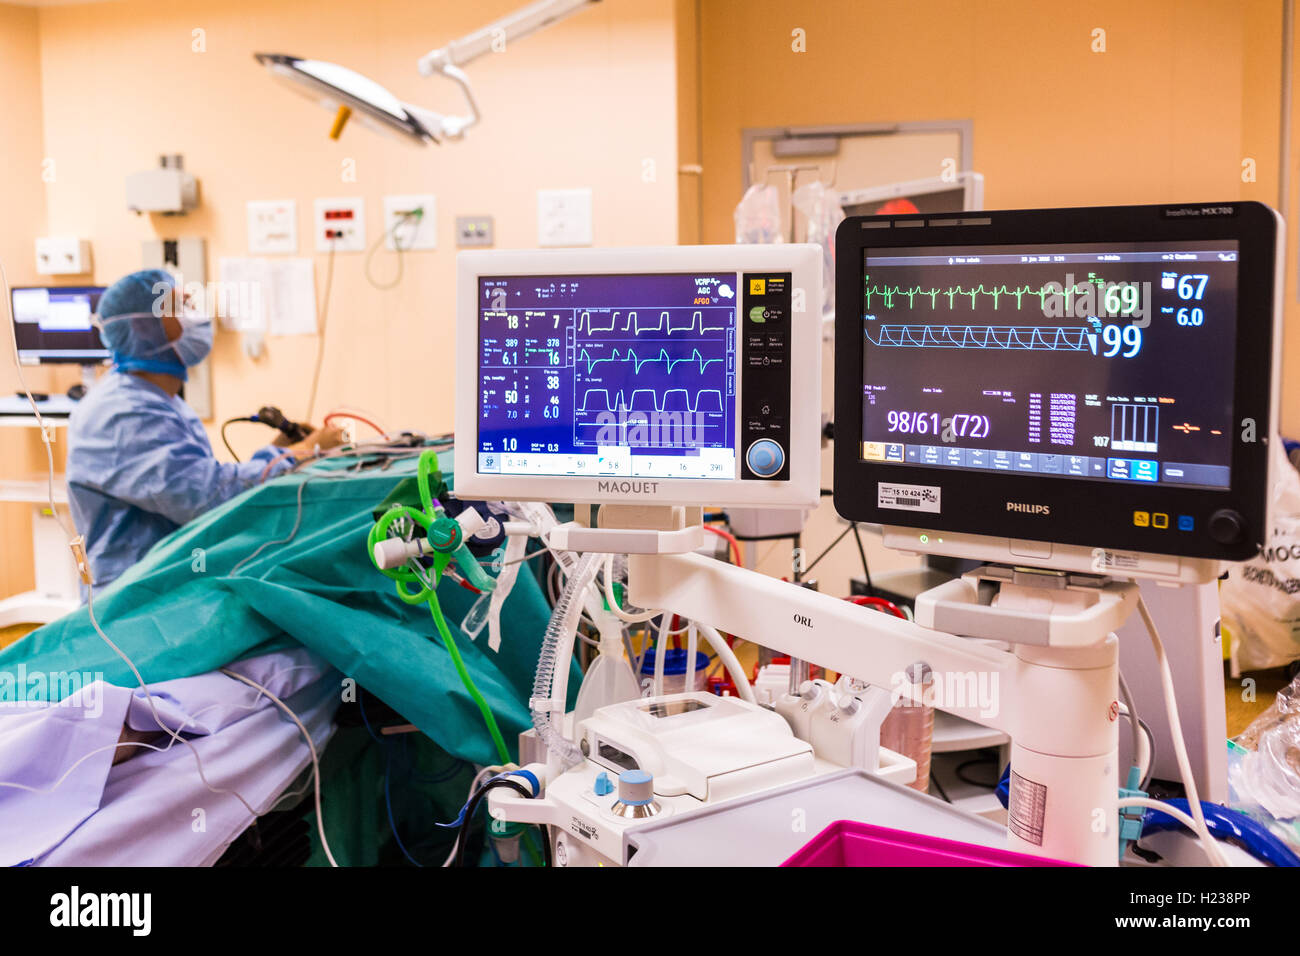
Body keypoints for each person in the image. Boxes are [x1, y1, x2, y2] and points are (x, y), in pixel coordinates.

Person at [67, 269, 343, 592]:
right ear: (142, 326)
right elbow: (209, 498)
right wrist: (303, 451)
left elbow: (195, 481)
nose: (195, 315)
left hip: (170, 580)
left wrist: (280, 449)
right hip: (137, 599)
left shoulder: (158, 400)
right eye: (179, 306)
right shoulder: (121, 413)